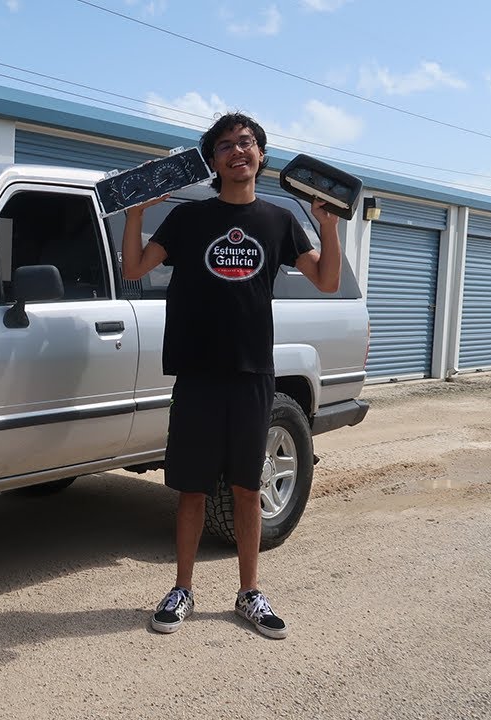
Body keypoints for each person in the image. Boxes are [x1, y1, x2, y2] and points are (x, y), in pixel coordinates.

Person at [121, 112, 342, 639]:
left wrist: (329, 227)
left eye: (246, 143)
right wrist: (136, 214)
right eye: (225, 145)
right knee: (192, 489)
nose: (237, 151)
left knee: (247, 487)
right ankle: (182, 588)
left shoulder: (280, 220)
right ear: (213, 162)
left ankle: (249, 593)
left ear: (260, 155)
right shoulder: (187, 218)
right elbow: (134, 269)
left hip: (252, 374)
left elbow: (327, 280)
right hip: (197, 374)